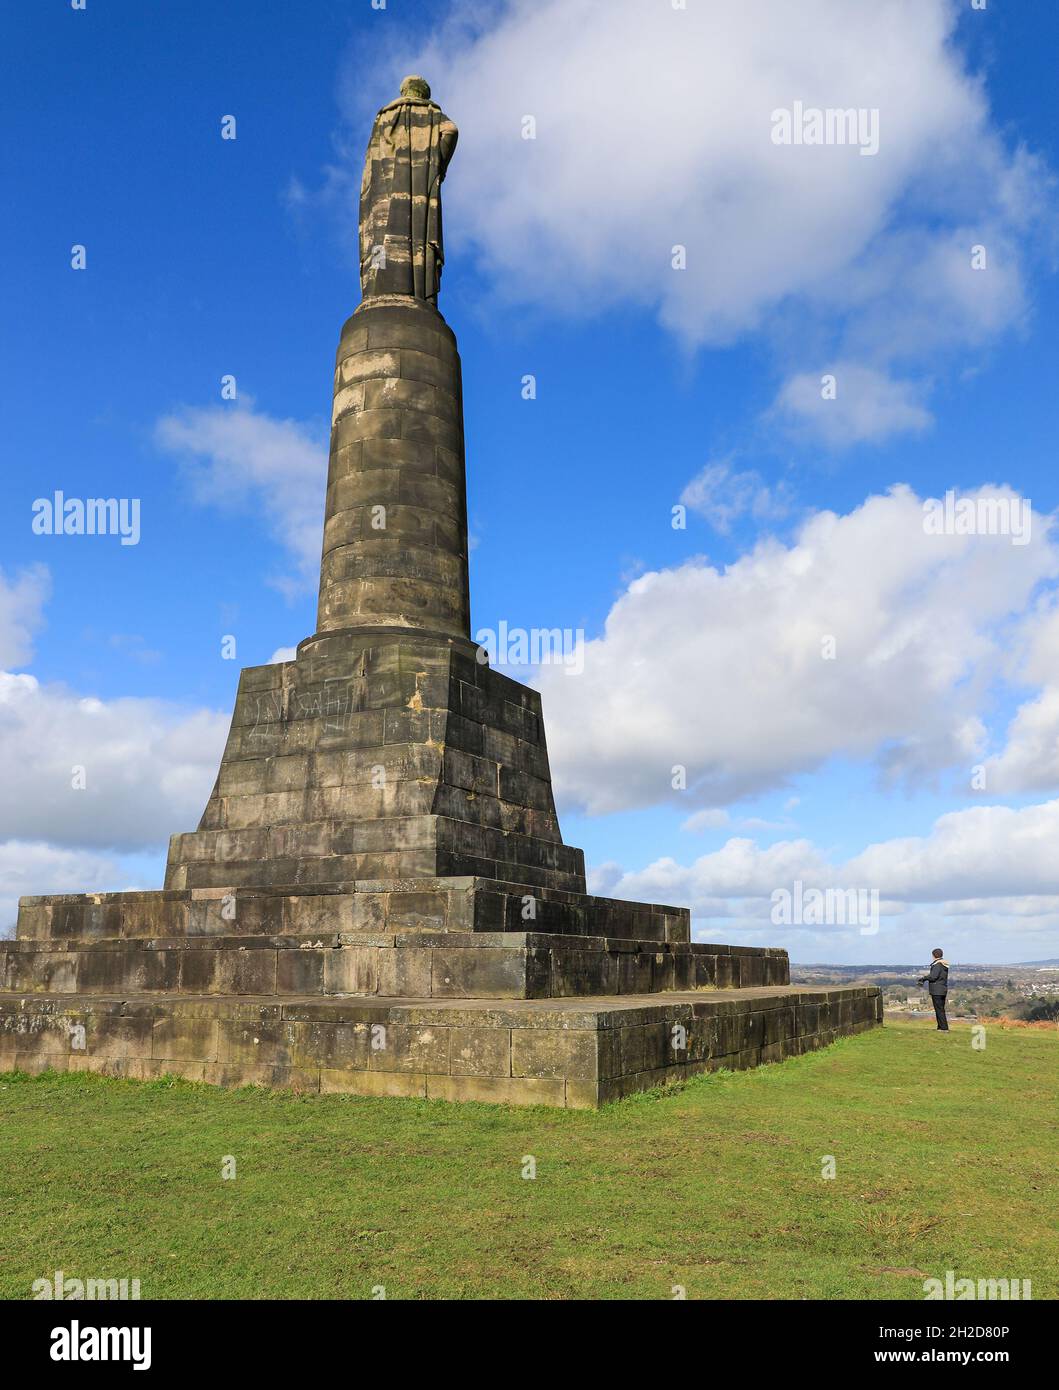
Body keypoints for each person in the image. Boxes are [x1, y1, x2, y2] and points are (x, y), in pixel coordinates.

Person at [918, 949, 950, 1031]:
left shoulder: (937, 965)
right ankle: (940, 1027)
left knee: (939, 1009)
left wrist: (924, 978)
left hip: (937, 990)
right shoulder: (944, 965)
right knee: (940, 1009)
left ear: (934, 955)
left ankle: (943, 1028)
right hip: (942, 989)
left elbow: (933, 976)